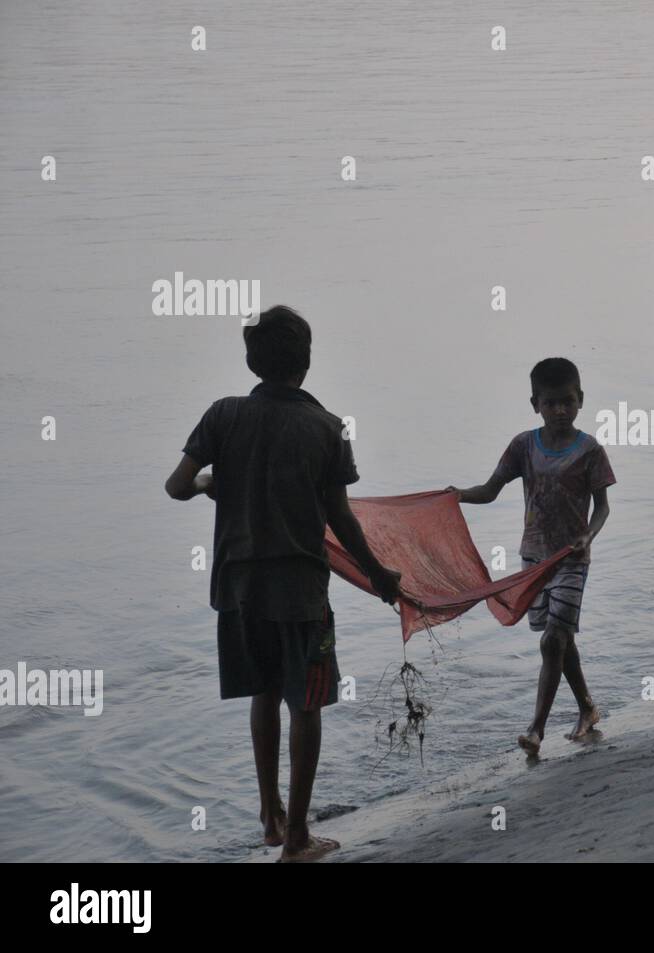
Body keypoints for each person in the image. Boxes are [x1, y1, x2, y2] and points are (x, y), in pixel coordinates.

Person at [165, 305, 402, 862]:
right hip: (300, 594)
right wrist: (378, 574)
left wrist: (207, 482)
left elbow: (176, 486)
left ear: (251, 362)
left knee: (264, 695)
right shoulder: (326, 427)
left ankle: (270, 819)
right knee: (307, 705)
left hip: (238, 591)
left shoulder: (222, 416)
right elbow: (340, 519)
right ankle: (298, 836)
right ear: (307, 363)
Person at [447, 358, 615, 756]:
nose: (560, 410)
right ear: (535, 403)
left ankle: (536, 729)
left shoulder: (590, 450)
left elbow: (603, 506)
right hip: (533, 560)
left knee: (553, 641)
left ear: (581, 401)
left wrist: (588, 537)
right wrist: (456, 496)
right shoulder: (524, 445)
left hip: (572, 558)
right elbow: (491, 489)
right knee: (558, 639)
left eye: (567, 402)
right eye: (551, 403)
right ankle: (588, 707)